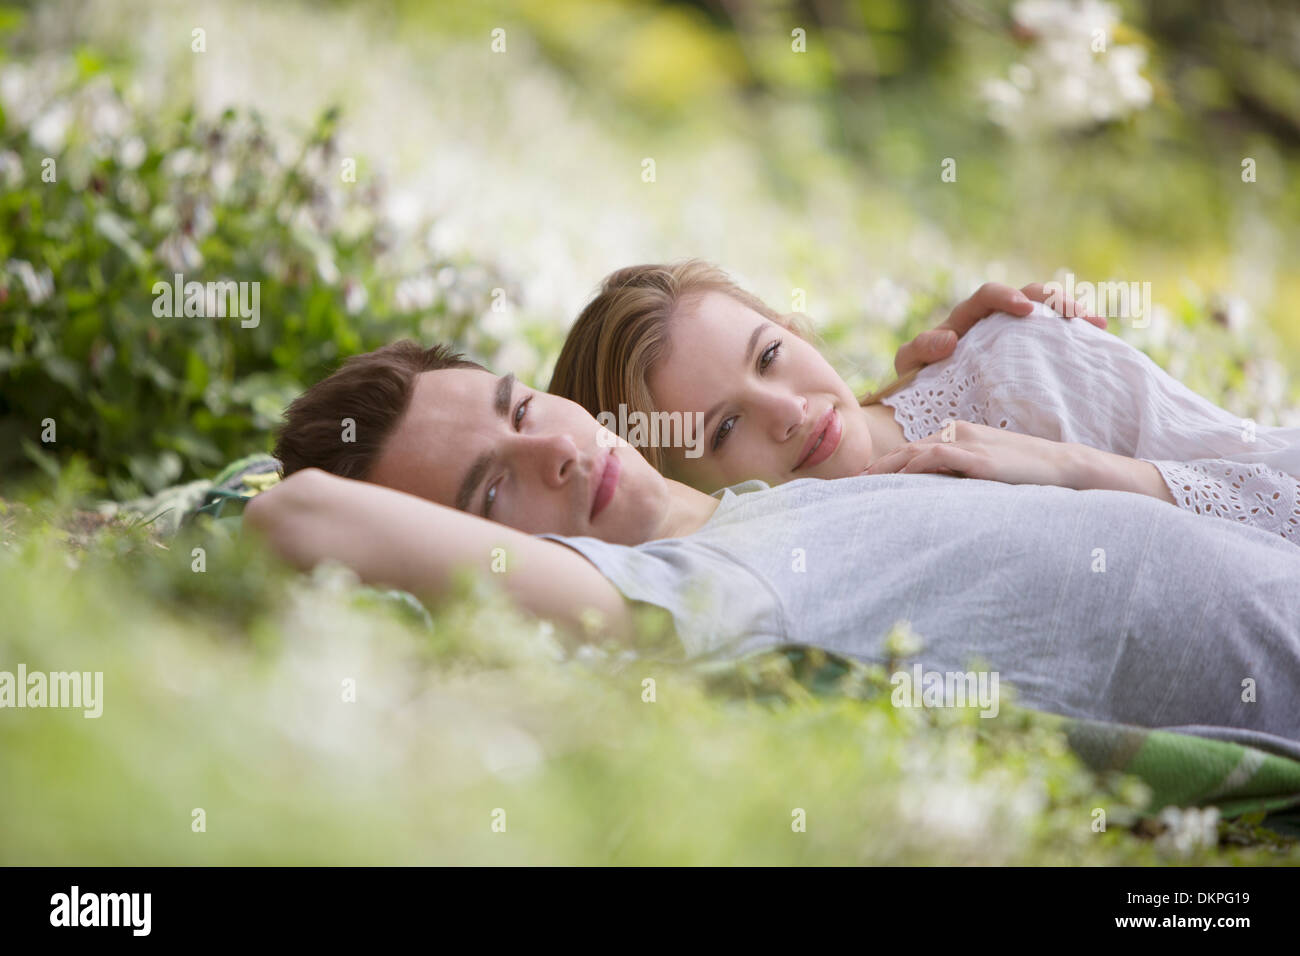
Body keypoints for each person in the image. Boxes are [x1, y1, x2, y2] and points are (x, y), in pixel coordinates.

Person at [247, 338, 1300, 760]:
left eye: (522, 406)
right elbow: (294, 514)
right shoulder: (699, 586)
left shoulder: (766, 505)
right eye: (493, 485)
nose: (555, 452)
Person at [549, 260, 1300, 544]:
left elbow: (1282, 498)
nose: (787, 411)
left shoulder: (1016, 365)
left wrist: (1079, 469)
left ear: (793, 327)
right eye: (725, 428)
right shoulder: (787, 567)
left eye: (770, 356)